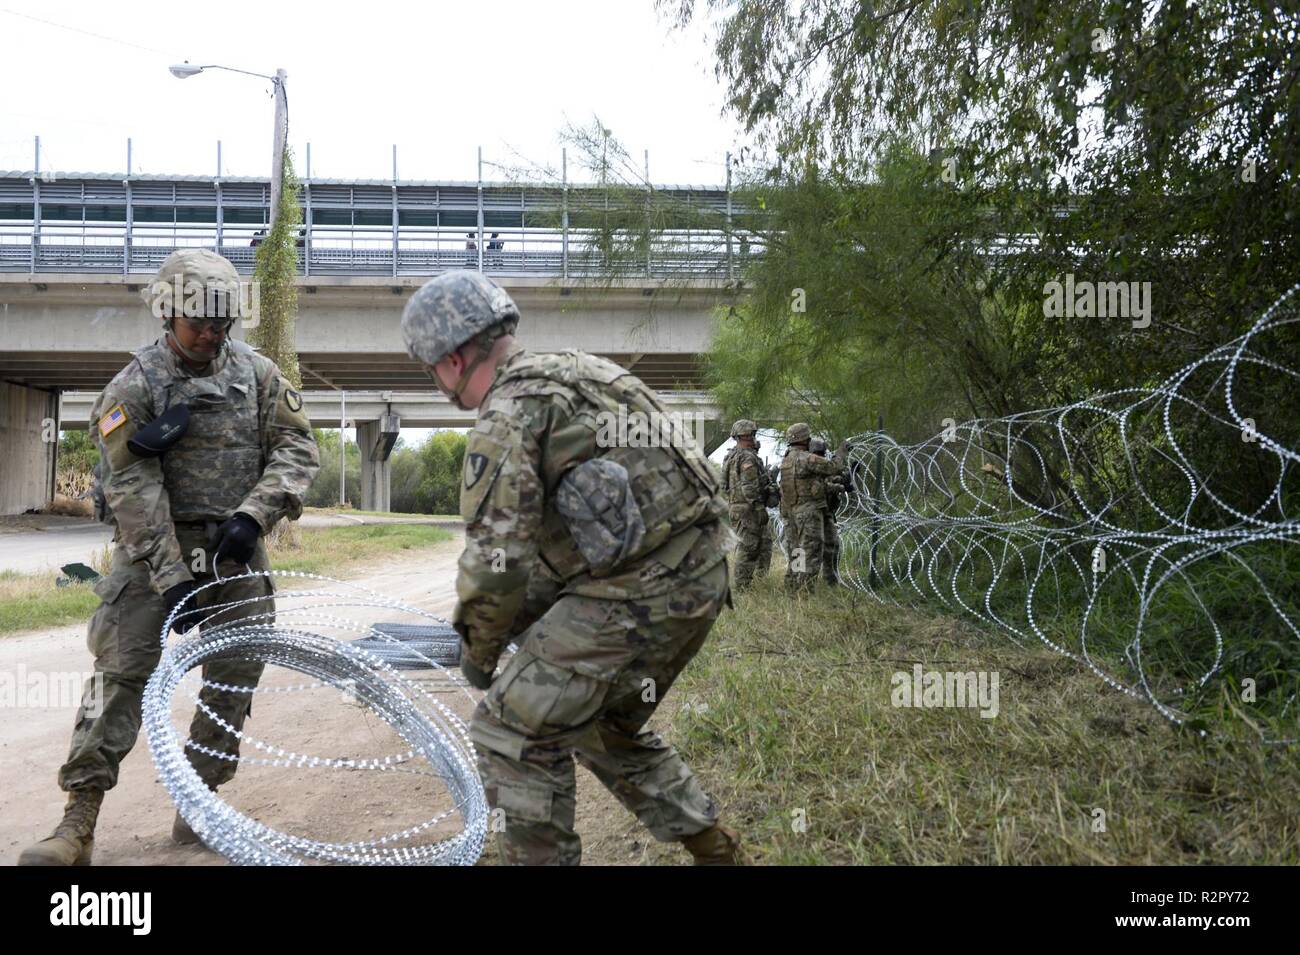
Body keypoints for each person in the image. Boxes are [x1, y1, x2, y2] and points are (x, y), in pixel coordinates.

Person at [400, 269, 741, 866]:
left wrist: (479, 657)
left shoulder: (507, 413)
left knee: (511, 732)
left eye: (432, 372)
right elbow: (581, 536)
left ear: (452, 359)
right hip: (702, 571)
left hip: (640, 588)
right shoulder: (588, 371)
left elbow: (496, 562)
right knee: (598, 725)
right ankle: (717, 852)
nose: (439, 387)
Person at [18, 249, 320, 866]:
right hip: (150, 550)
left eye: (221, 321)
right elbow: (131, 487)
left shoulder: (259, 377)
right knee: (120, 677)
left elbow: (297, 449)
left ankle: (202, 797)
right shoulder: (136, 385)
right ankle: (77, 822)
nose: (211, 332)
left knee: (234, 675)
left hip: (236, 549)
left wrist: (253, 516)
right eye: (197, 321)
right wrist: (171, 572)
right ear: (169, 313)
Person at [779, 423, 848, 594]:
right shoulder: (804, 458)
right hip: (808, 511)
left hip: (791, 512)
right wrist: (842, 452)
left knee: (797, 550)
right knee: (811, 551)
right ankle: (805, 591)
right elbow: (833, 467)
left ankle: (792, 585)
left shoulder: (787, 459)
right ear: (805, 439)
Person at [721, 419, 772, 590]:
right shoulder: (747, 457)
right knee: (748, 546)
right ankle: (742, 587)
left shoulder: (730, 456)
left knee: (748, 545)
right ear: (748, 435)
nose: (753, 437)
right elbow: (749, 486)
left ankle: (745, 584)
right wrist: (758, 507)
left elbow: (724, 486)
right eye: (752, 434)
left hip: (736, 506)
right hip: (748, 508)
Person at [809, 436, 848, 586]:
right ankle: (799, 582)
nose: (820, 456)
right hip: (808, 514)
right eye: (817, 453)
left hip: (824, 512)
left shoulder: (818, 465)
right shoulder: (807, 464)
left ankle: (831, 579)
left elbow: (830, 479)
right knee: (804, 548)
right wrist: (840, 455)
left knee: (832, 545)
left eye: (822, 453)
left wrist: (843, 481)